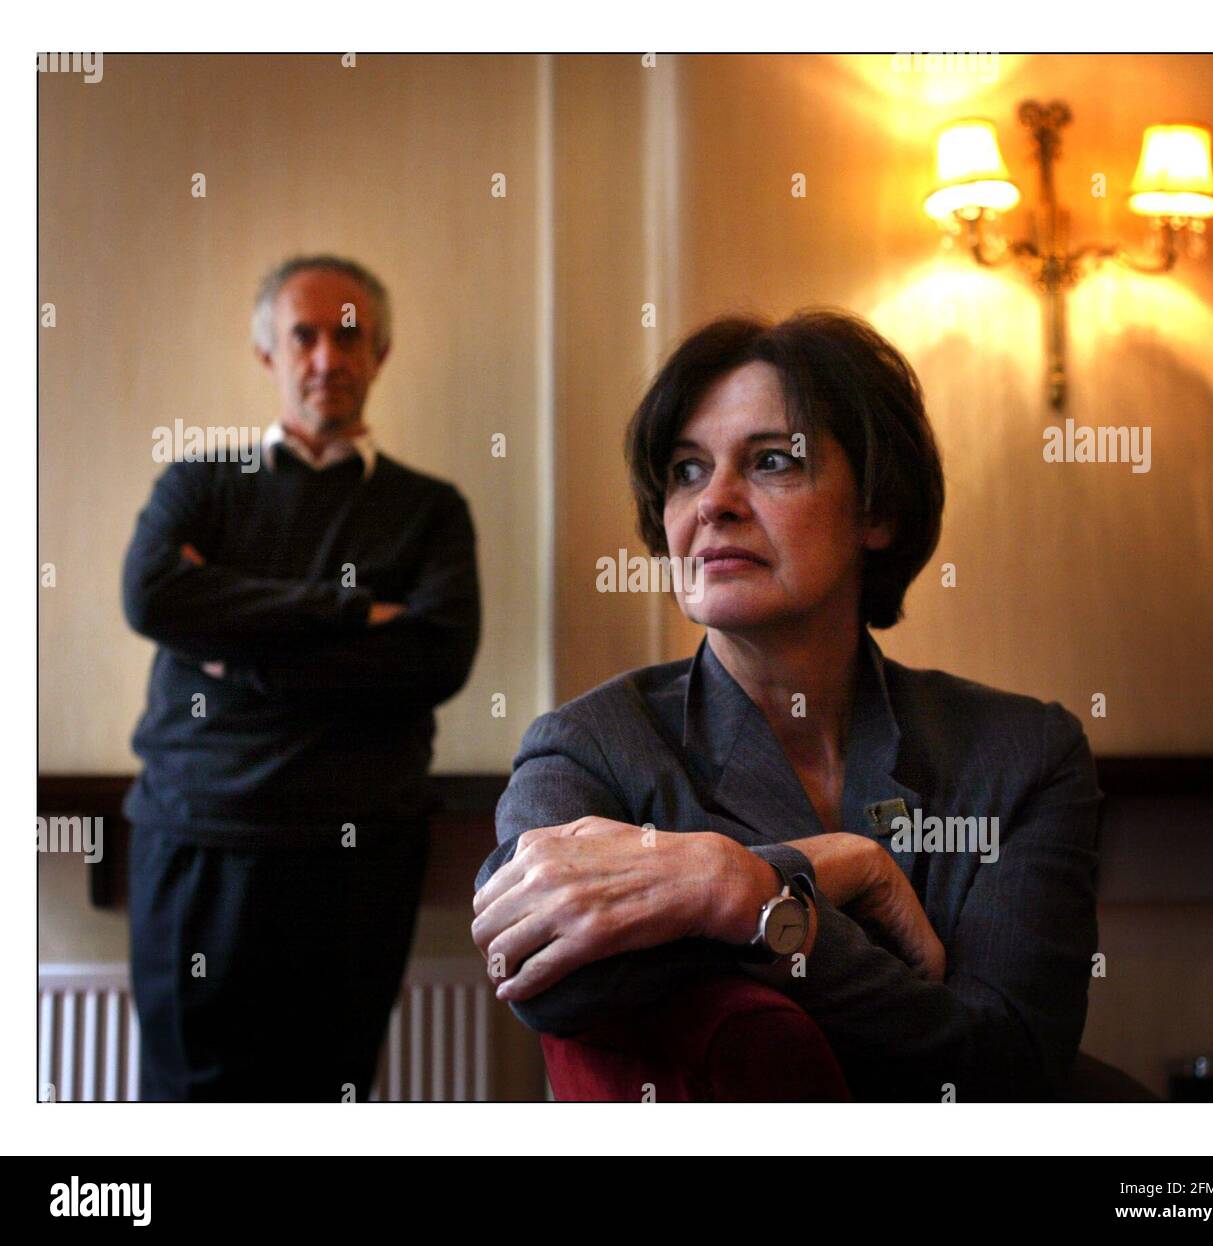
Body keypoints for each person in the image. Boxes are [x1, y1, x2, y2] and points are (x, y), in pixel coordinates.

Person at [472, 309, 1099, 1101]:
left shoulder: (1022, 753)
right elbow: (544, 976)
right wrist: (799, 875)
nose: (714, 503)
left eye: (771, 462)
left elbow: (1007, 1066)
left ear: (877, 511)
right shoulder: (588, 747)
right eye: (687, 471)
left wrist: (745, 889)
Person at [122, 255, 481, 1101]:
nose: (328, 356)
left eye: (350, 335)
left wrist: (232, 648)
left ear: (380, 353)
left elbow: (436, 658)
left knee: (329, 1103)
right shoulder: (198, 485)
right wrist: (354, 612)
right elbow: (150, 594)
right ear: (268, 354)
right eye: (304, 335)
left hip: (354, 861)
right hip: (196, 845)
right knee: (188, 1111)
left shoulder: (431, 510)